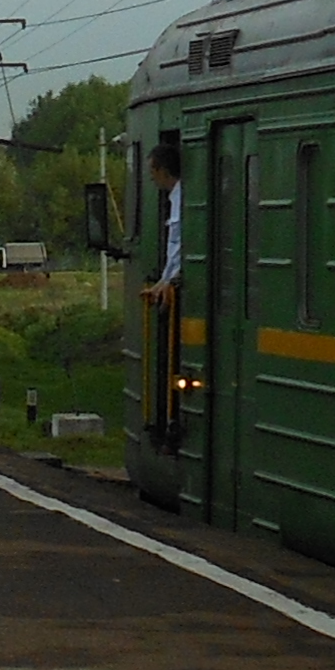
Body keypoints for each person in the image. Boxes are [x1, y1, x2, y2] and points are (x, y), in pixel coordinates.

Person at [143, 135, 188, 444]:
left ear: (162, 170)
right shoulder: (177, 197)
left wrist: (167, 281)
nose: (151, 177)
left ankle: (168, 424)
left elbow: (180, 246)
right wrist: (163, 281)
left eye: (152, 170)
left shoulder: (180, 198)